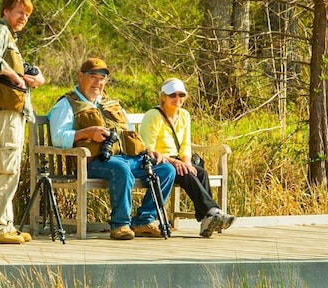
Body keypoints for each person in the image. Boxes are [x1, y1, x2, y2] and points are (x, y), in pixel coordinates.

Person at [47, 58, 175, 240]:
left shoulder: (112, 104)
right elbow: (58, 137)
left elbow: (130, 133)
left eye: (102, 78)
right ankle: (120, 224)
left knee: (166, 170)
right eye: (93, 77)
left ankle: (144, 221)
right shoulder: (66, 104)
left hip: (127, 158)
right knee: (120, 169)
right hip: (92, 162)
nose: (97, 83)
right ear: (80, 76)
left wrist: (147, 151)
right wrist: (88, 132)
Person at [0, 0, 47, 245]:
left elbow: (19, 64)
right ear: (6, 11)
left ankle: (4, 225)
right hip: (4, 113)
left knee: (9, 169)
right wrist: (13, 76)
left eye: (27, 15)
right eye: (20, 12)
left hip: (10, 112)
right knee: (4, 169)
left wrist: (34, 75)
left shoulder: (9, 36)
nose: (24, 18)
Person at [137, 78, 236, 237]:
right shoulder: (153, 115)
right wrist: (176, 162)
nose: (178, 99)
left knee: (199, 172)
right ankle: (212, 213)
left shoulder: (184, 115)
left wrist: (186, 162)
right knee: (186, 172)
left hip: (177, 159)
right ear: (164, 97)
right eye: (173, 95)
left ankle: (208, 218)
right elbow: (148, 149)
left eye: (181, 95)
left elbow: (185, 144)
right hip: (159, 162)